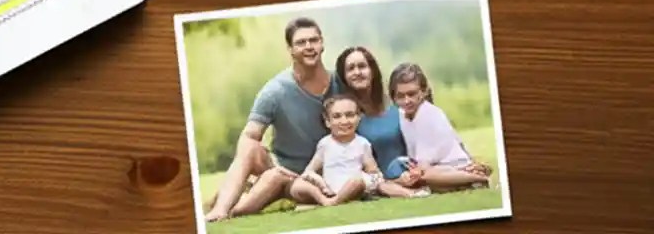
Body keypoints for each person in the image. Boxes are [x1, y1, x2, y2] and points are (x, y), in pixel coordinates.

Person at [203, 17, 344, 221]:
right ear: (290, 49)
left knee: (269, 185)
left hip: (328, 174)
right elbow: (249, 136)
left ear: (322, 44)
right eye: (301, 42)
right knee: (251, 146)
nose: (309, 46)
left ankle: (242, 195)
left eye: (314, 40)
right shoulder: (275, 91)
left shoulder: (341, 83)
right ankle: (221, 209)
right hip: (284, 171)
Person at [336, 46, 428, 198]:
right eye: (351, 68)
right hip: (380, 182)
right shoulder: (346, 118)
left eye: (362, 66)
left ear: (372, 70)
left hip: (414, 172)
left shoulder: (398, 103)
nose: (357, 72)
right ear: (344, 76)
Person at [390, 62, 493, 191]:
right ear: (393, 97)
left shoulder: (426, 114)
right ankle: (462, 182)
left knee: (427, 176)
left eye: (411, 94)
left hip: (452, 165)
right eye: (400, 96)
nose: (406, 101)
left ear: (423, 92)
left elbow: (423, 166)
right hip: (437, 167)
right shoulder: (404, 114)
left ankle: (478, 179)